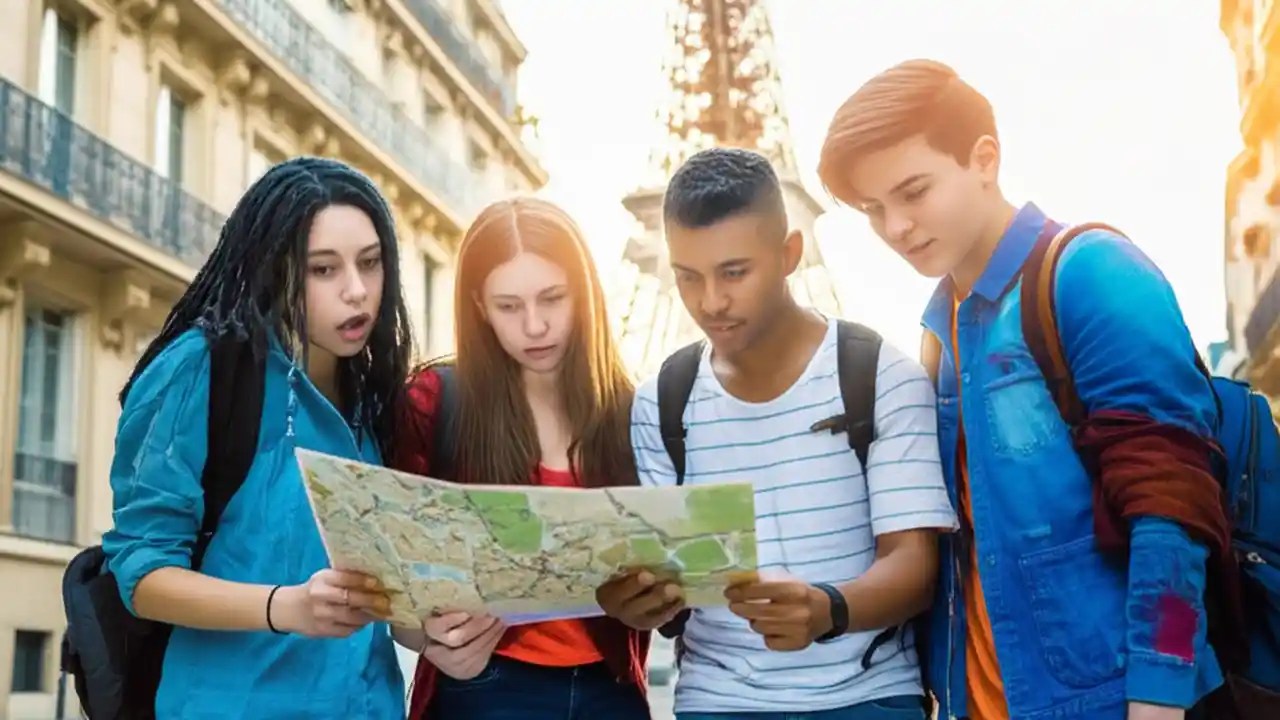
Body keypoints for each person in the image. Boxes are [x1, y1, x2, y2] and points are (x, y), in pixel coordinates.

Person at [816, 59, 1232, 720]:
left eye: (914, 191)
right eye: (873, 210)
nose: (895, 227)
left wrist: (1158, 697)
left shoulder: (1090, 273)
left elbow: (1174, 506)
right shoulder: (937, 332)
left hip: (1118, 702)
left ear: (985, 158)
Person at [597, 147, 958, 720]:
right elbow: (674, 595)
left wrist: (827, 609)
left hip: (866, 700)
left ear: (789, 253)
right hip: (718, 704)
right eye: (689, 277)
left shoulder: (879, 376)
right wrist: (640, 605)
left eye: (734, 272)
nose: (711, 301)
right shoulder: (660, 402)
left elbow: (915, 568)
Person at [101, 156, 413, 718]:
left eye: (371, 263)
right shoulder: (202, 370)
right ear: (276, 269)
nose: (357, 291)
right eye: (323, 270)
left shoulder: (380, 394)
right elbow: (143, 574)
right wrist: (286, 607)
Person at [391, 197, 651, 720]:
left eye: (552, 298)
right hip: (482, 687)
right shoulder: (435, 401)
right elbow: (397, 591)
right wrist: (431, 637)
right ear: (480, 307)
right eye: (509, 306)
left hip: (611, 689)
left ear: (584, 294)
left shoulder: (635, 412)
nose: (535, 326)